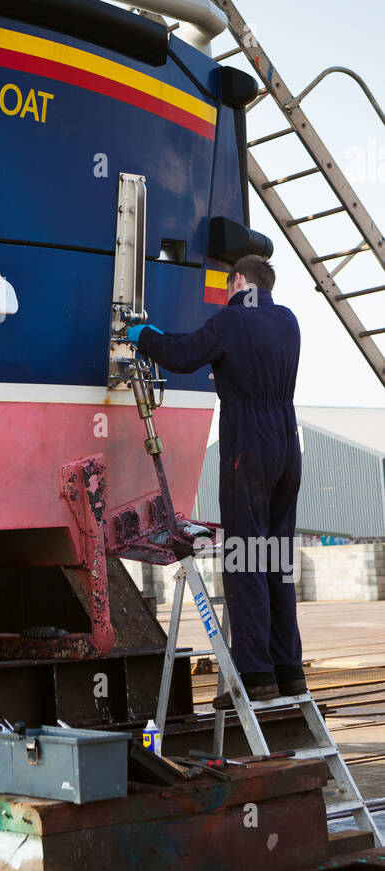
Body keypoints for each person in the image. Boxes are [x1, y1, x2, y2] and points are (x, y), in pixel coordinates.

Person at [127, 255, 304, 705]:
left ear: (239, 281)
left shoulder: (231, 318)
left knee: (245, 560)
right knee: (276, 559)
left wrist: (142, 336)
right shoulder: (288, 321)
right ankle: (289, 672)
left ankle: (256, 678)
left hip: (250, 446)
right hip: (288, 443)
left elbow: (183, 356)